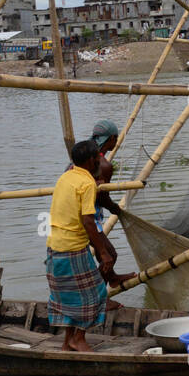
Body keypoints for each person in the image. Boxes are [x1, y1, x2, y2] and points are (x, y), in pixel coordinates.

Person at [45, 139, 131, 352]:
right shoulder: (87, 184)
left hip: (54, 245)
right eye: (97, 160)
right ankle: (78, 339)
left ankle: (67, 343)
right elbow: (88, 221)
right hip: (72, 248)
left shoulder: (65, 177)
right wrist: (103, 252)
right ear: (93, 160)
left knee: (70, 296)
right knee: (97, 294)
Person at [89, 119, 123, 224]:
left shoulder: (80, 155)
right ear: (112, 138)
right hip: (89, 215)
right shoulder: (104, 165)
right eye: (116, 138)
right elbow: (102, 198)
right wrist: (114, 208)